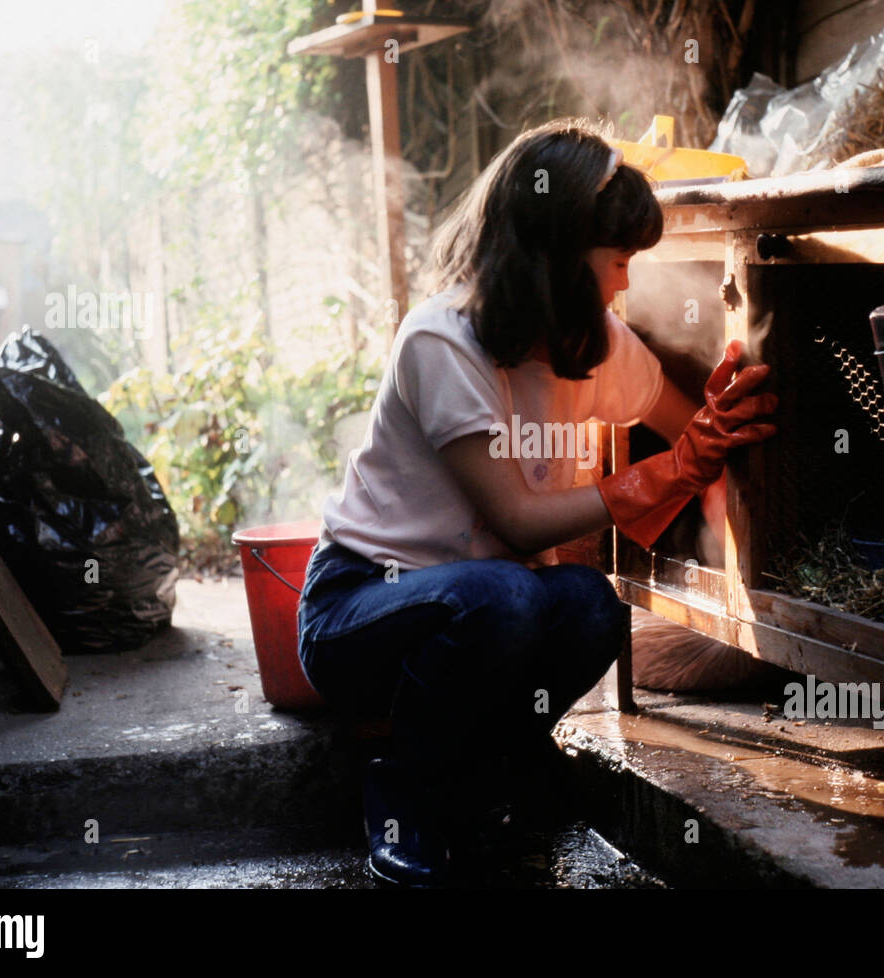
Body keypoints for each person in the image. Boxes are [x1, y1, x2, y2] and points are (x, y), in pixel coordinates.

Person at [297, 118, 778, 887]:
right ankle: (403, 789)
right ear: (554, 257)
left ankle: (490, 768)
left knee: (589, 603)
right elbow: (518, 523)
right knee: (510, 593)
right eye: (616, 260)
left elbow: (685, 426)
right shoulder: (442, 341)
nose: (626, 280)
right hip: (361, 608)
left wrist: (721, 417)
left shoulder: (592, 341)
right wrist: (658, 478)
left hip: (486, 612)